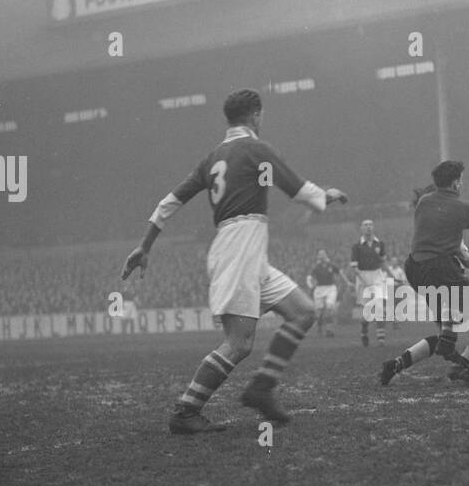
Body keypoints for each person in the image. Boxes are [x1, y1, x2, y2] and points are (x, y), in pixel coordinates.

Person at [121, 88, 348, 433]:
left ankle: (261, 388)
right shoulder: (257, 149)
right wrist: (326, 196)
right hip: (239, 250)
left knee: (303, 313)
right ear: (256, 115)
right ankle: (186, 411)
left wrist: (145, 246)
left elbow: (169, 201)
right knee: (239, 344)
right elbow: (297, 189)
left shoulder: (213, 157)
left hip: (245, 252)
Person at [379, 161, 469, 387]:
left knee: (445, 337)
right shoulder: (462, 208)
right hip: (441, 268)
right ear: (455, 183)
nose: (462, 184)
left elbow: (447, 212)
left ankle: (396, 364)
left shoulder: (424, 203)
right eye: (461, 180)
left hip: (415, 269)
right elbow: (467, 221)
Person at [349, 219, 387, 347]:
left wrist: (393, 276)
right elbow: (354, 268)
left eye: (370, 224)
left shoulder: (380, 244)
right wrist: (366, 283)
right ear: (361, 228)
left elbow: (383, 263)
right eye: (365, 225)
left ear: (373, 227)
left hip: (377, 276)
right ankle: (364, 330)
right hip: (363, 277)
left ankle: (381, 338)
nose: (368, 227)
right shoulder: (357, 246)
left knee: (380, 305)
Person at [308, 249, 347, 337]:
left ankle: (329, 330)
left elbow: (340, 273)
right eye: (319, 254)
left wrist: (347, 282)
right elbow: (310, 277)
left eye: (323, 254)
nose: (321, 256)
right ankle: (319, 326)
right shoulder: (316, 267)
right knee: (319, 312)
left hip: (330, 288)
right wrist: (311, 285)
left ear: (326, 255)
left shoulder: (331, 265)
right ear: (318, 256)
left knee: (329, 307)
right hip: (319, 289)